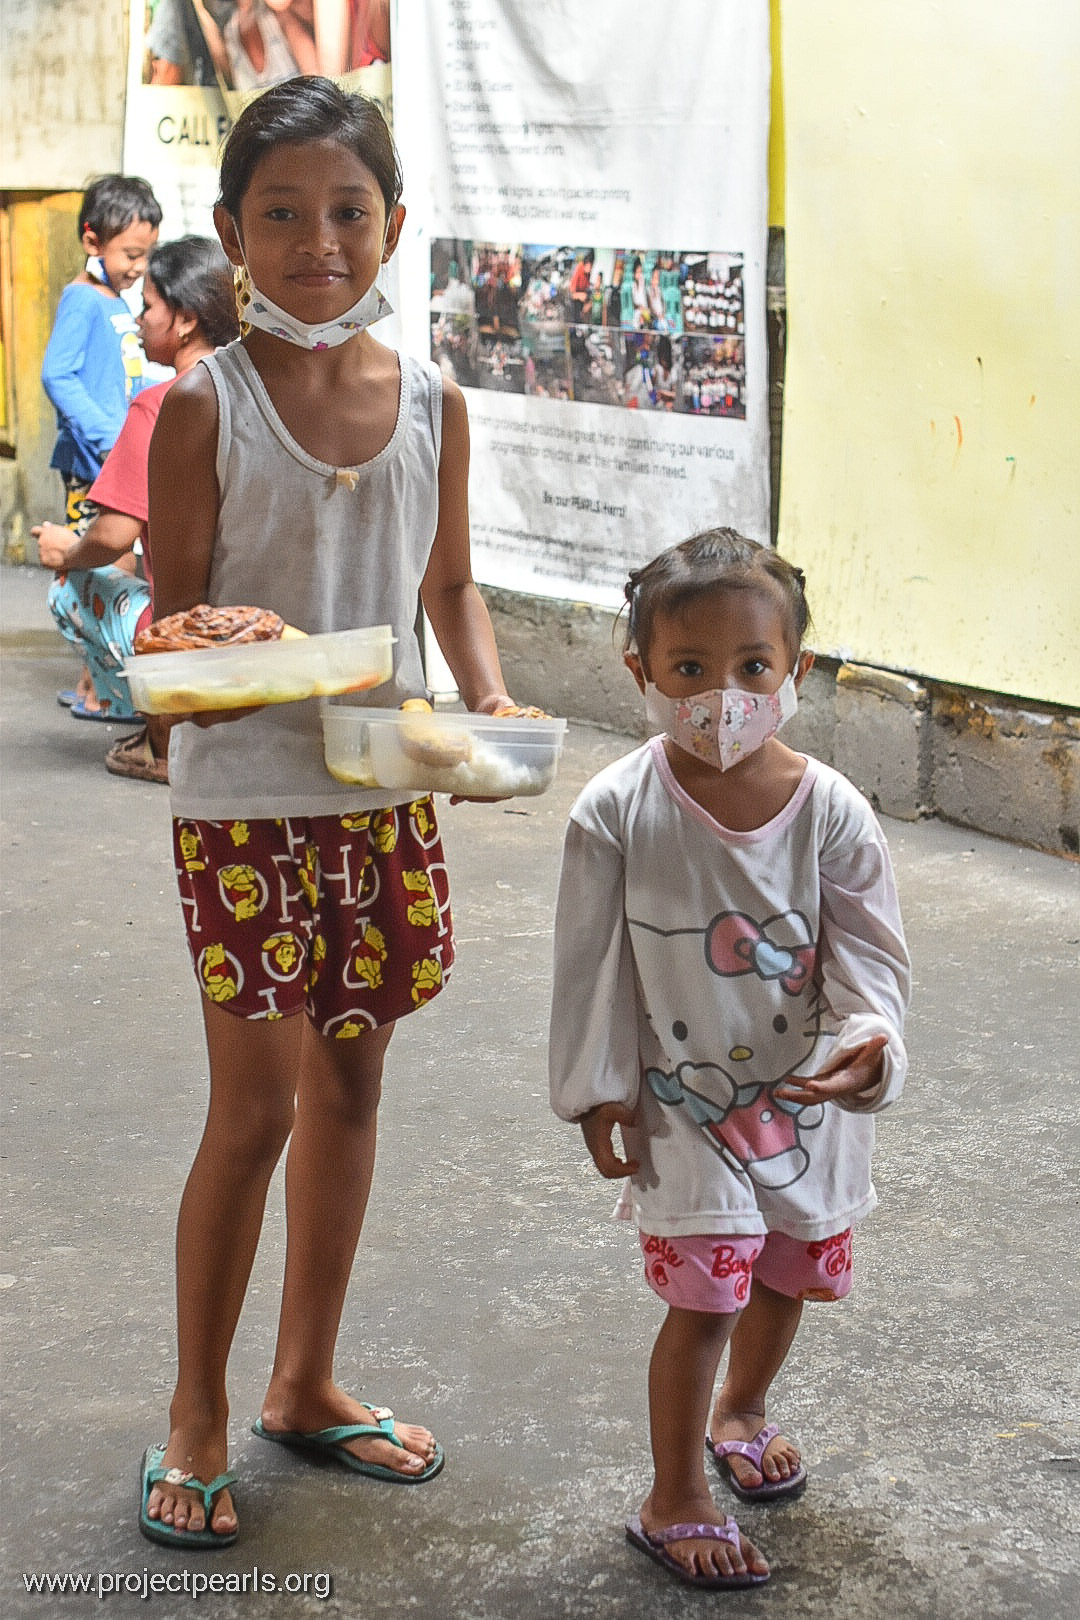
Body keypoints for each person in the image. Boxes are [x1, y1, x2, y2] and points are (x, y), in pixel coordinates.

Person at [139, 76, 528, 1549]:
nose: (319, 241)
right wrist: (229, 643)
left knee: (354, 1091)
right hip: (244, 806)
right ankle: (196, 1410)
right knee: (256, 1110)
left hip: (384, 788)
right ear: (233, 232)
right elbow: (168, 634)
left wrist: (482, 699)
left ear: (394, 227)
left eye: (347, 212)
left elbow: (449, 588)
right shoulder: (203, 402)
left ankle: (303, 1384)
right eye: (284, 215)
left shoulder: (433, 397)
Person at [549, 530, 910, 1589]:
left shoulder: (835, 812)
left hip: (805, 1101)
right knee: (707, 1294)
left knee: (789, 1271)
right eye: (691, 669)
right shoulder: (614, 810)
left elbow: (871, 962)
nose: (725, 694)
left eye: (755, 666)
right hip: (679, 1104)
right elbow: (588, 967)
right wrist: (595, 1087)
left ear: (797, 669)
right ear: (643, 676)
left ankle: (743, 1409)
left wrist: (870, 1045)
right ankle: (676, 1496)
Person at [33, 237, 239, 770]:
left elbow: (112, 537)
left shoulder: (159, 405)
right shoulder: (260, 394)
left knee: (73, 587)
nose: (139, 320)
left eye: (148, 307)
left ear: (186, 319)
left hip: (193, 638)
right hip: (268, 632)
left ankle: (166, 742)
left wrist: (65, 551)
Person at [41, 174, 161, 536]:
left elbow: (124, 372)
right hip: (92, 463)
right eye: (131, 255)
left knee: (115, 560)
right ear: (93, 243)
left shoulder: (115, 300)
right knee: (88, 559)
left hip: (117, 457)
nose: (140, 267)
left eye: (146, 256)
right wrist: (106, 438)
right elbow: (56, 375)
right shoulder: (83, 299)